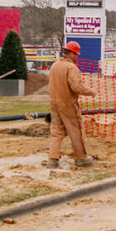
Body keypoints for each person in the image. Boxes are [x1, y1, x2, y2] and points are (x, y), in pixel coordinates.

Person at [46, 40, 96, 169]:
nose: (77, 57)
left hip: (54, 103)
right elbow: (76, 86)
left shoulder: (55, 65)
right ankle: (81, 158)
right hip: (67, 103)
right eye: (76, 54)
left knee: (56, 131)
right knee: (75, 130)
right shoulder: (71, 67)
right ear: (73, 54)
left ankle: (52, 159)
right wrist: (90, 91)